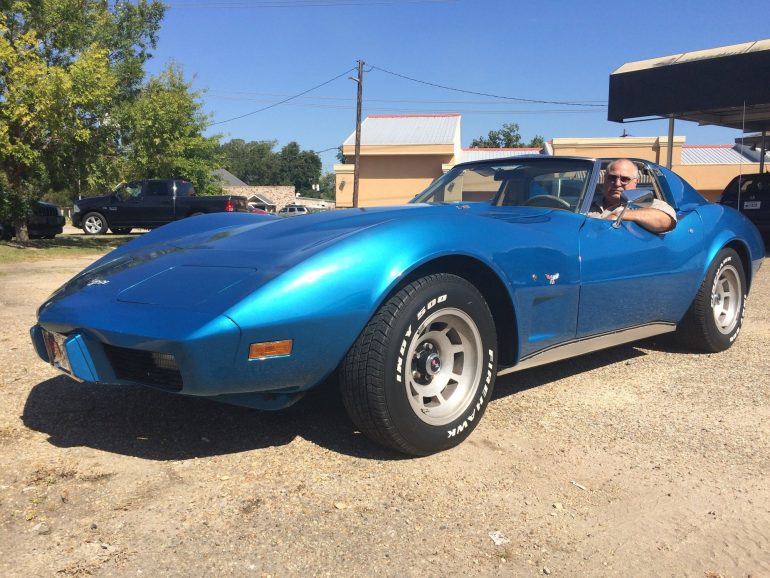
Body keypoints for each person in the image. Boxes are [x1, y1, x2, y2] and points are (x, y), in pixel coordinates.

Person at [588, 159, 676, 233]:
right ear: (604, 179)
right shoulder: (585, 204)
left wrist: (619, 215)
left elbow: (665, 221)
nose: (617, 183)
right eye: (612, 178)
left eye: (624, 179)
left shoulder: (646, 204)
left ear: (635, 182)